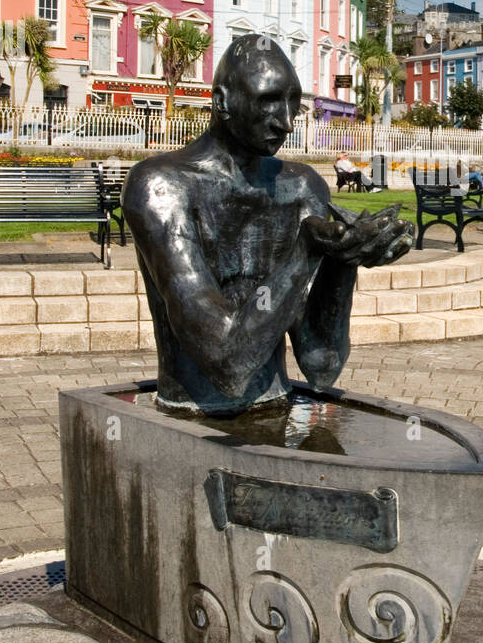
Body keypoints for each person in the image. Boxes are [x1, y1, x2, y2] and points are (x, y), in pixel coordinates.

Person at [123, 36, 412, 416]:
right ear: (222, 101)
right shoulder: (162, 186)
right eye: (268, 101)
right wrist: (307, 248)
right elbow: (226, 363)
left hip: (277, 401)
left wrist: (345, 257)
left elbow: (321, 366)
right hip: (193, 409)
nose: (287, 122)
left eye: (293, 103)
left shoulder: (302, 186)